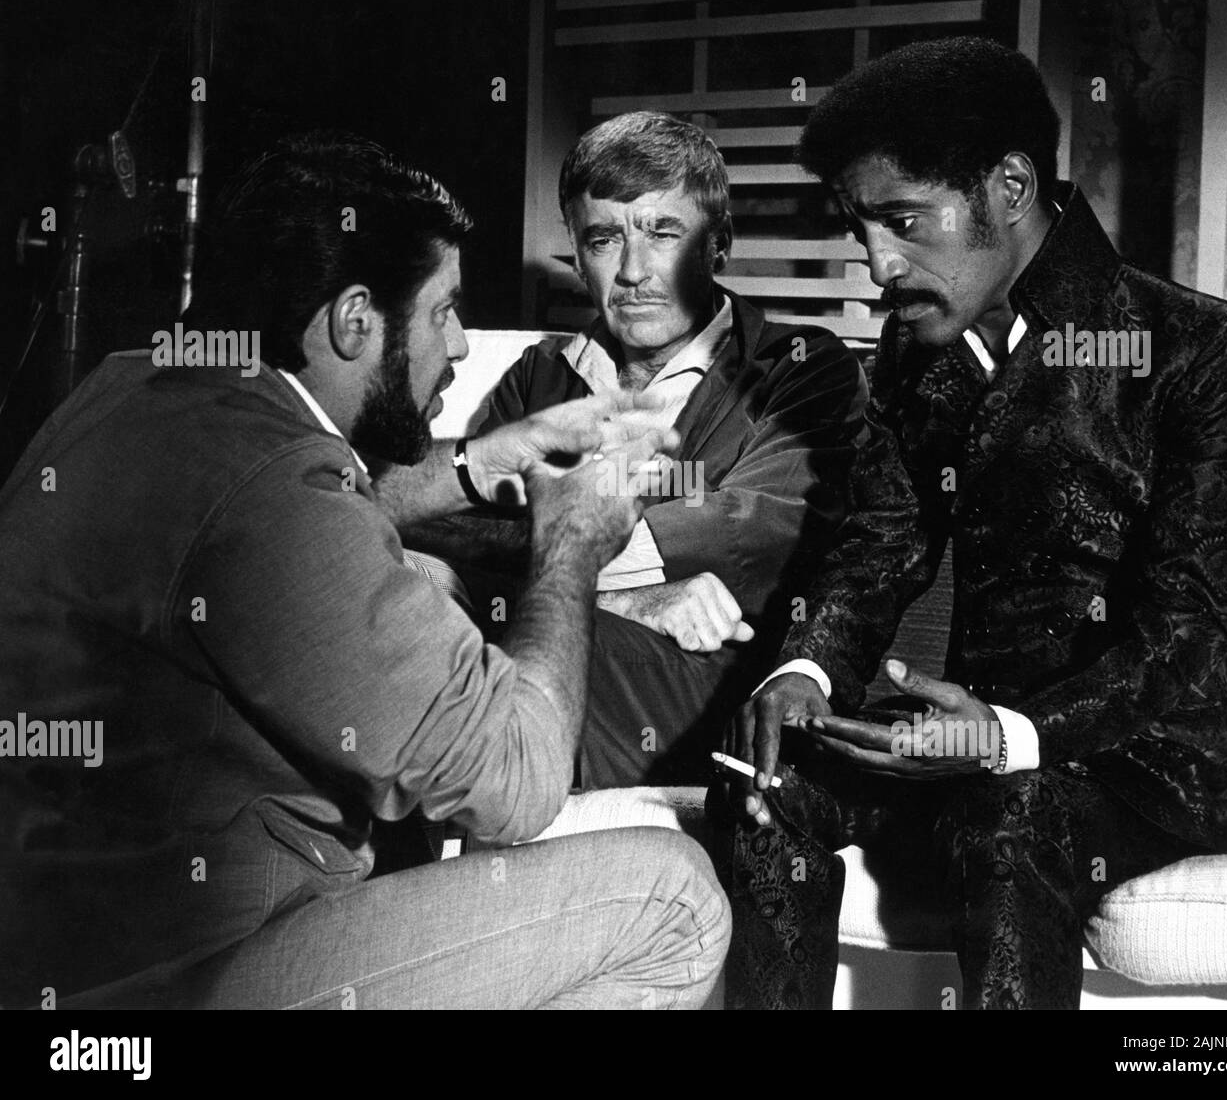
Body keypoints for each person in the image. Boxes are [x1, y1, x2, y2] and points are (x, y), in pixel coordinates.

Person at [0, 131, 729, 1010]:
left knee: (423, 589)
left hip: (64, 952)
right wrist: (568, 543)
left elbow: (261, 523)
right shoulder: (274, 491)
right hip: (187, 981)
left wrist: (479, 458)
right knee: (673, 896)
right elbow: (521, 779)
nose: (459, 346)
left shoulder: (138, 389)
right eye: (442, 312)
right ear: (354, 320)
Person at [714, 36, 1227, 1010]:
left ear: (1009, 187)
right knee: (765, 789)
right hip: (953, 734)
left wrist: (1009, 736)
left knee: (1008, 813)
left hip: (1145, 754)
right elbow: (880, 544)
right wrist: (804, 669)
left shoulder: (1198, 347)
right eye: (862, 229)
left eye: (902, 220)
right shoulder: (911, 352)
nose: (877, 265)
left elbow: (1184, 632)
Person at [386, 112, 867, 788]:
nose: (635, 271)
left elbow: (755, 533)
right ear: (577, 255)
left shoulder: (798, 365)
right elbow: (437, 522)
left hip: (709, 698)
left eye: (663, 233)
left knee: (422, 619)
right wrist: (625, 596)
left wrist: (557, 557)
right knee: (403, 598)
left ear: (718, 243)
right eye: (605, 239)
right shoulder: (540, 372)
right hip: (539, 652)